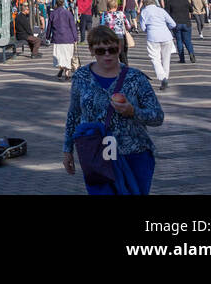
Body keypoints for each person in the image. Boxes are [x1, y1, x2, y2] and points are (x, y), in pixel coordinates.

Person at [62, 25, 164, 194]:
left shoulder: (135, 78)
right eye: (101, 51)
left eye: (112, 49)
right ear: (91, 51)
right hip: (96, 155)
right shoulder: (81, 77)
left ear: (120, 47)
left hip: (134, 153)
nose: (107, 55)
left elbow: (158, 116)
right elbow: (74, 115)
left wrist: (133, 111)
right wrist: (67, 150)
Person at [140, 0, 177, 89]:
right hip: (166, 36)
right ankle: (166, 78)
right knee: (166, 59)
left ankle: (162, 77)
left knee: (155, 59)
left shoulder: (144, 12)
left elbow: (143, 28)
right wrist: (166, 27)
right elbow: (173, 24)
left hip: (153, 37)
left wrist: (149, 29)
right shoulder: (161, 10)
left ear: (144, 3)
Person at [45, 0, 79, 80]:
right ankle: (67, 74)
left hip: (57, 38)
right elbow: (72, 26)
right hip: (68, 37)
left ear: (55, 3)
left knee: (59, 57)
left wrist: (47, 36)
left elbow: (49, 27)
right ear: (63, 3)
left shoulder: (53, 14)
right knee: (68, 56)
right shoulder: (68, 13)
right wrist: (75, 37)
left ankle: (61, 68)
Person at [164, 0, 195, 64]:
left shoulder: (170, 2)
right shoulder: (185, 1)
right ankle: (191, 54)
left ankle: (182, 58)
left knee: (179, 41)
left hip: (176, 24)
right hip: (186, 23)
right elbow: (191, 10)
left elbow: (166, 13)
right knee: (188, 41)